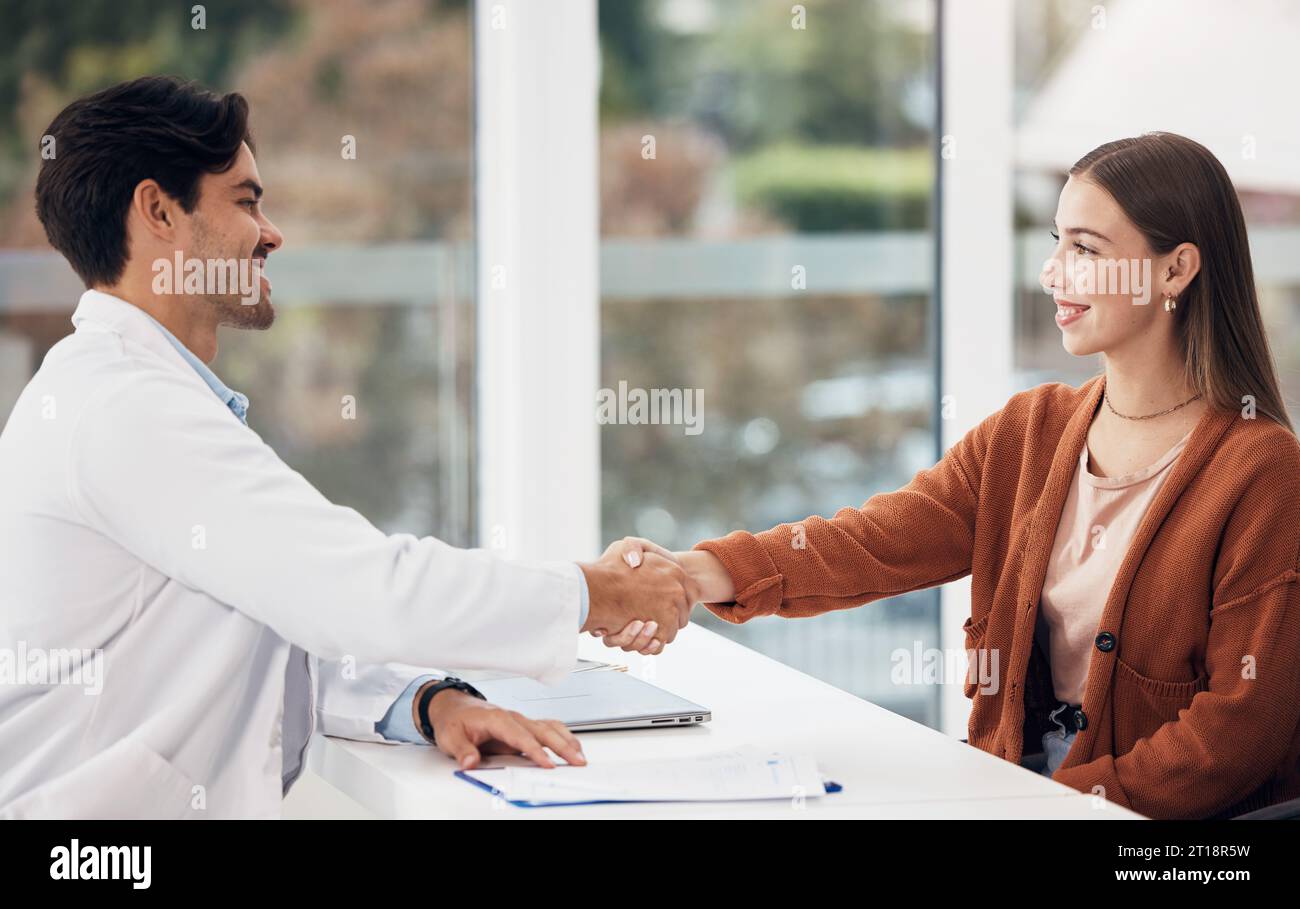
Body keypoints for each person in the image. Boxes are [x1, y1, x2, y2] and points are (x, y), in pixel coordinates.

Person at [0, 75, 693, 819]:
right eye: (245, 199)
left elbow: (287, 612)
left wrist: (431, 700)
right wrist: (593, 592)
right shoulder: (124, 409)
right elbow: (359, 589)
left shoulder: (129, 394)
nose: (272, 232)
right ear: (159, 211)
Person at [607, 132, 1300, 820]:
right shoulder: (1030, 431)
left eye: (1085, 249)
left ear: (1175, 270)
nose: (1052, 272)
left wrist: (1047, 806)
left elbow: (1235, 733)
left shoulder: (1262, 473)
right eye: (1056, 241)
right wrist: (696, 573)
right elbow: (873, 540)